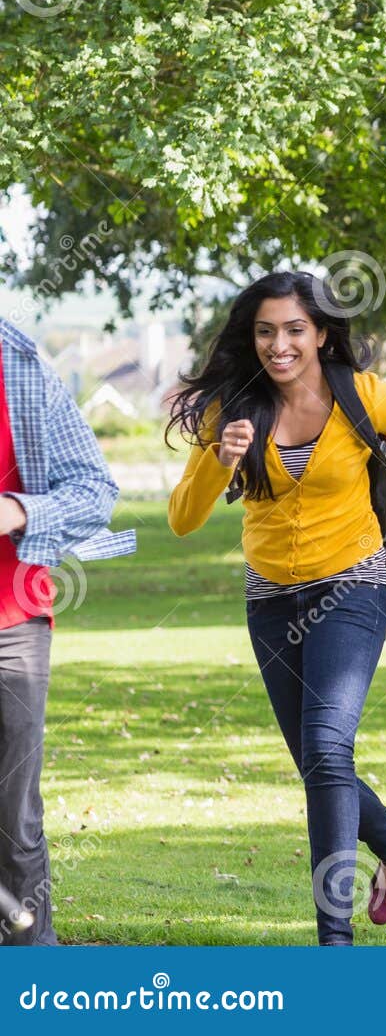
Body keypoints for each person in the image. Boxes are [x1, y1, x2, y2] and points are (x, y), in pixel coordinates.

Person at [167, 272, 386, 945]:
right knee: (319, 764)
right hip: (270, 599)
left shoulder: (363, 396)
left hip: (352, 583)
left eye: (295, 329)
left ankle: (334, 940)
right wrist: (218, 459)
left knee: (325, 748)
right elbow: (182, 519)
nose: (280, 345)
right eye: (266, 331)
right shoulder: (230, 409)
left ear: (321, 334)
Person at [0, 318, 133, 946]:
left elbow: (95, 490)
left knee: (13, 813)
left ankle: (34, 970)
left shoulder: (22, 374)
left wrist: (20, 509)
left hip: (13, 621)